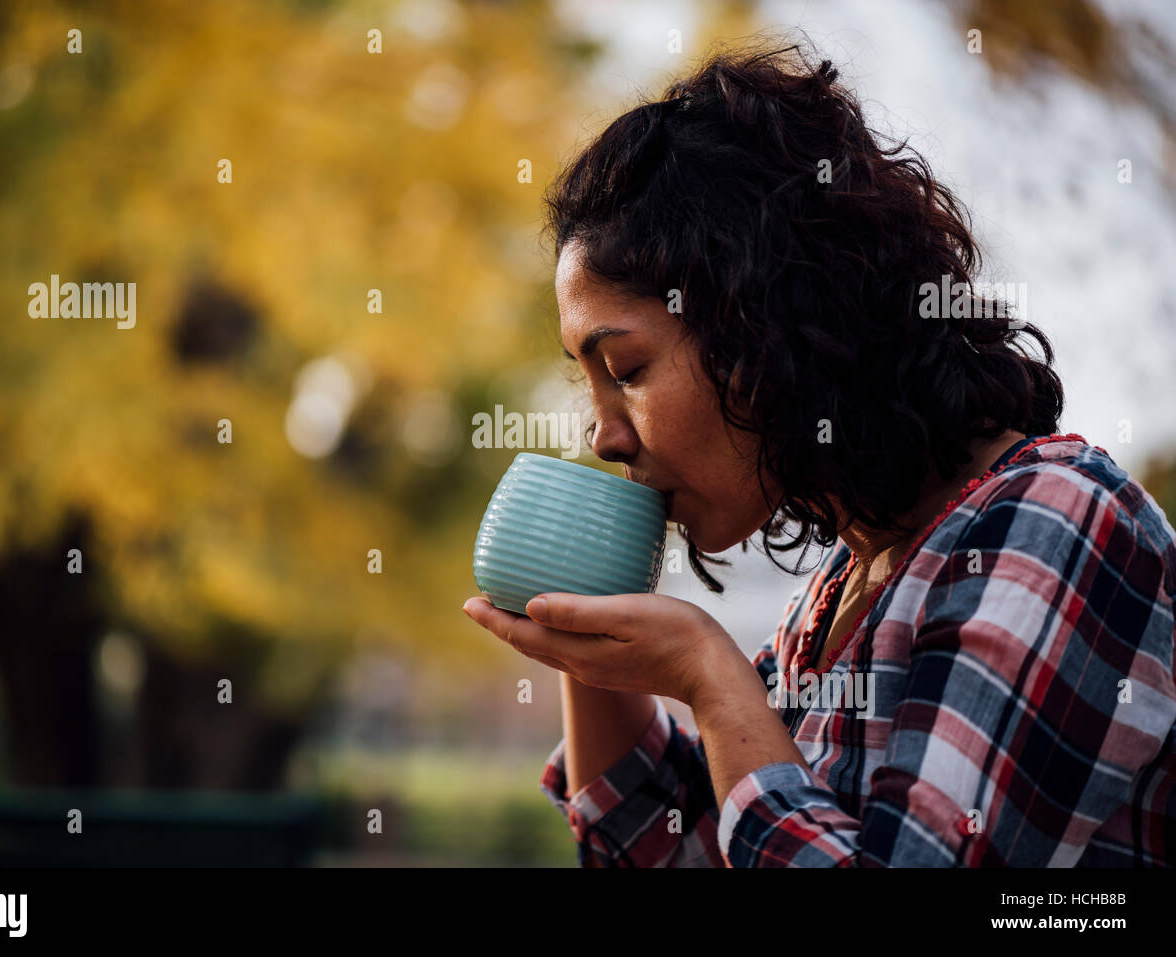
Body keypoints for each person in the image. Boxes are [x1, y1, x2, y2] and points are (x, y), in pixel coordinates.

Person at [461, 44, 1176, 867]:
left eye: (626, 370)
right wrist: (581, 642)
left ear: (761, 323)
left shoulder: (1055, 523)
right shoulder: (840, 593)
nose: (603, 434)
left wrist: (710, 674)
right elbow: (690, 846)